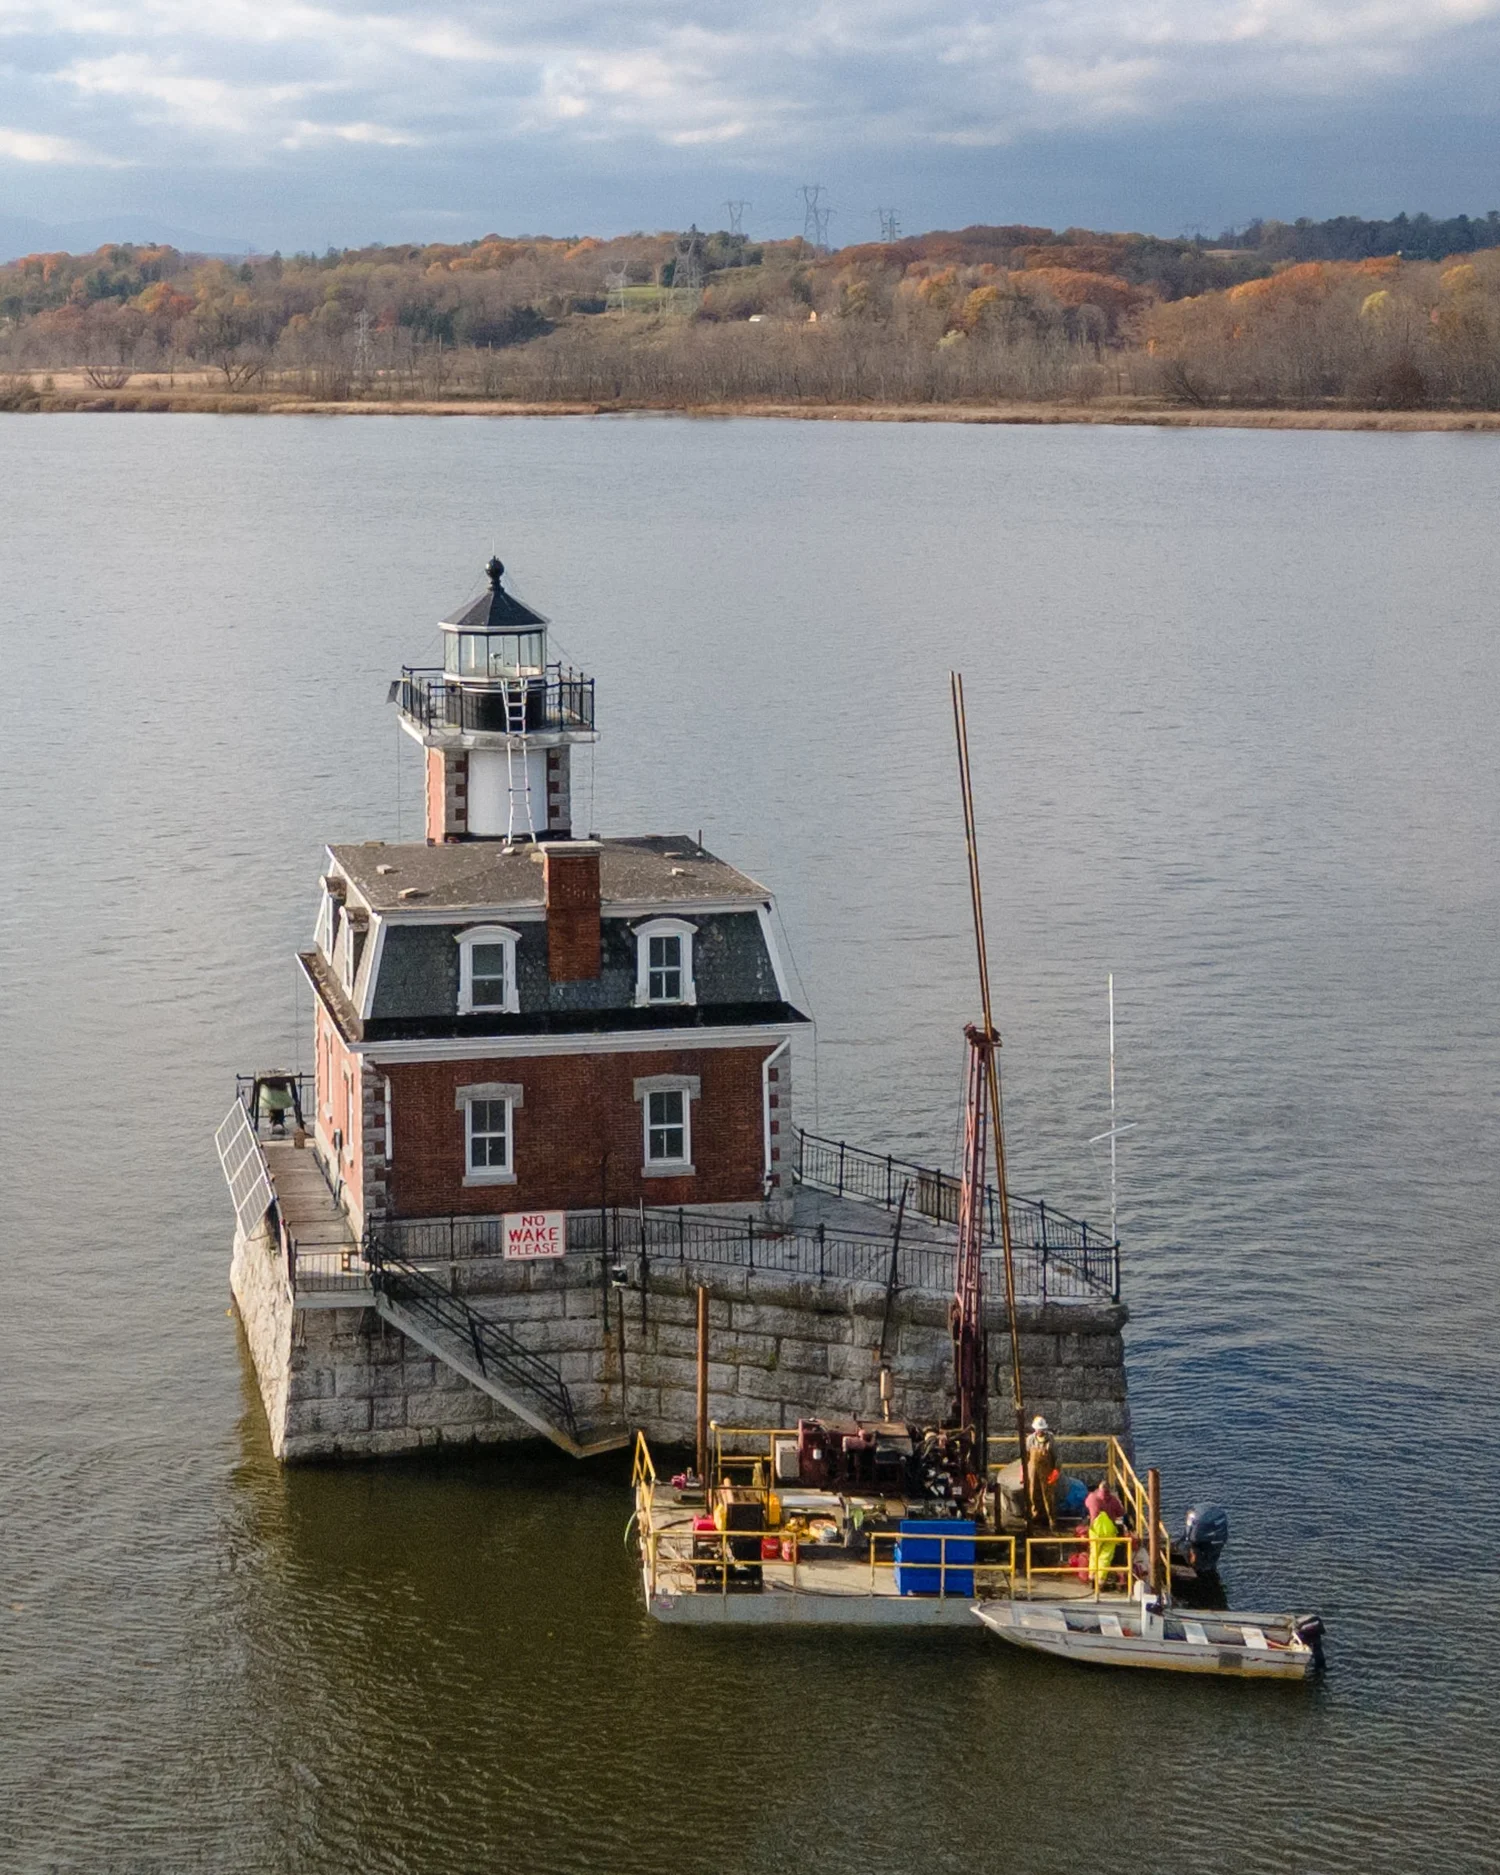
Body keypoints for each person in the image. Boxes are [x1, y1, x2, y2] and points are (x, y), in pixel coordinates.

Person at [1025, 1415, 1058, 1526]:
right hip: (1033, 1472)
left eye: (1042, 1429)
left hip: (1047, 1472)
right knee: (1033, 1493)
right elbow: (1026, 1456)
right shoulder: (1030, 1439)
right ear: (1035, 1429)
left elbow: (1057, 1456)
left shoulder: (1051, 1439)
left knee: (1048, 1496)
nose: (1040, 1431)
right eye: (1038, 1429)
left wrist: (1056, 1471)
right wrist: (1023, 1470)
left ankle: (1051, 1518)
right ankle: (1036, 1515)